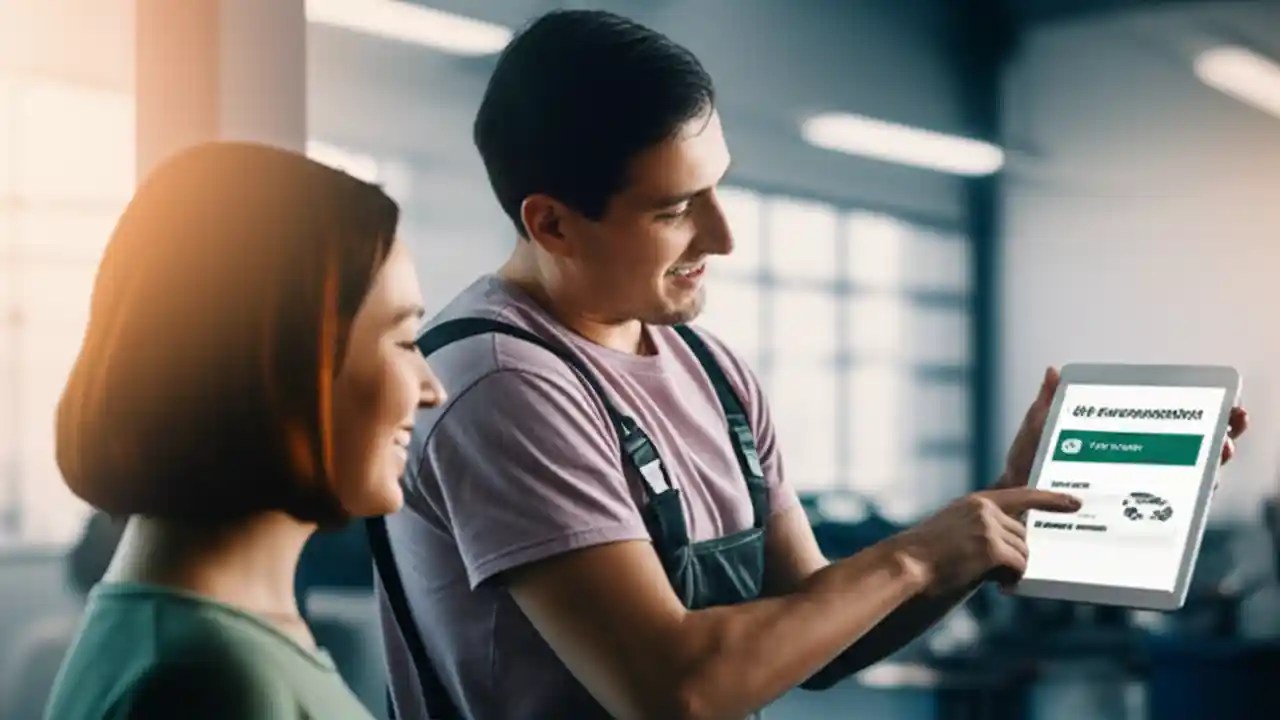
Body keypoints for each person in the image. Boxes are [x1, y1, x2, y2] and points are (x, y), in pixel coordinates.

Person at [372, 10, 1250, 720]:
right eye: (674, 210)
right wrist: (915, 557)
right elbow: (672, 691)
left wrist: (990, 520)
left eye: (718, 188)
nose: (724, 237)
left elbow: (817, 634)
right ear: (553, 223)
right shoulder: (503, 384)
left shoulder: (710, 369)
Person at [44, 141, 446, 720]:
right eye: (405, 342)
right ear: (287, 365)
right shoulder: (211, 678)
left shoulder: (201, 639)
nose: (432, 389)